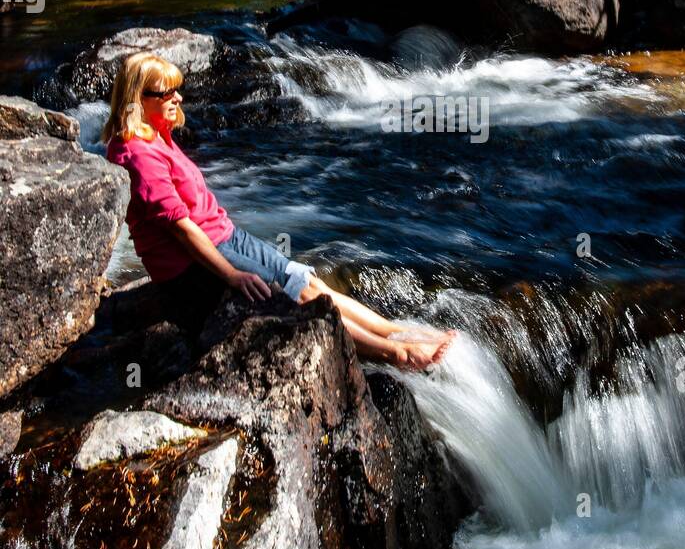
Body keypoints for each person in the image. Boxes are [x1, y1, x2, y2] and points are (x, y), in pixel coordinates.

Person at [102, 51, 455, 369]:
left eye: (177, 89)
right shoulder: (136, 154)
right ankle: (396, 354)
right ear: (137, 99)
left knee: (307, 280)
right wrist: (230, 275)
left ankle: (396, 332)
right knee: (296, 295)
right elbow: (180, 228)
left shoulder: (157, 134)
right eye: (166, 93)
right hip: (191, 265)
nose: (178, 98)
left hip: (223, 236)